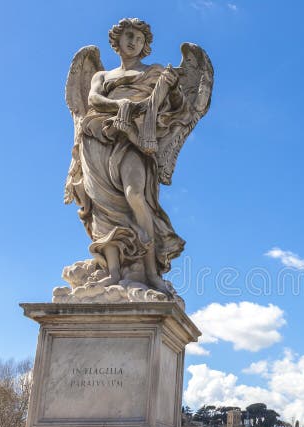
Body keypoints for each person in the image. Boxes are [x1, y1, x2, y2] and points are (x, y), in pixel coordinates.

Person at [75, 19, 187, 293]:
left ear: (145, 44)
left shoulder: (156, 72)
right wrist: (120, 104)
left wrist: (171, 88)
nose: (132, 41)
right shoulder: (101, 76)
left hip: (136, 138)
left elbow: (176, 108)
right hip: (99, 137)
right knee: (103, 207)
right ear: (117, 40)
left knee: (135, 195)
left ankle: (150, 271)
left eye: (138, 37)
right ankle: (113, 272)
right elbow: (94, 100)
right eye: (127, 35)